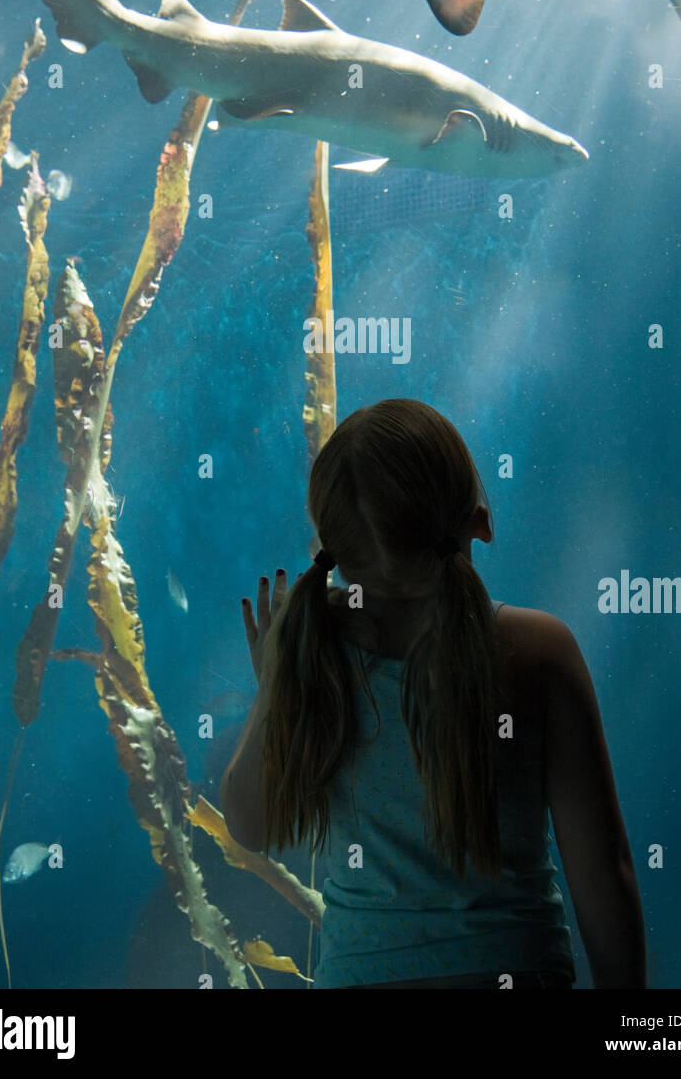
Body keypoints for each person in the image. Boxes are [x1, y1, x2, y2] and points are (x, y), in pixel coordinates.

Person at [220, 399, 646, 989]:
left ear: (333, 551)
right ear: (480, 520)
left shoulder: (316, 650)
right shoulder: (540, 651)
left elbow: (248, 827)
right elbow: (606, 871)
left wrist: (275, 679)